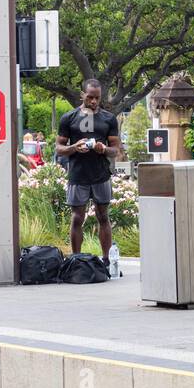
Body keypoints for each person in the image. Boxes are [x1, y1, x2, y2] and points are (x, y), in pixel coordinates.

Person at [55, 79, 122, 262]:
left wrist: (103, 149)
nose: (94, 101)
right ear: (82, 95)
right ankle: (76, 260)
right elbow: (59, 148)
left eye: (97, 98)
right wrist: (74, 147)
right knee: (77, 218)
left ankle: (107, 260)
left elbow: (116, 150)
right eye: (90, 97)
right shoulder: (68, 118)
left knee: (103, 216)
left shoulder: (109, 118)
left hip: (101, 174)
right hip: (78, 174)